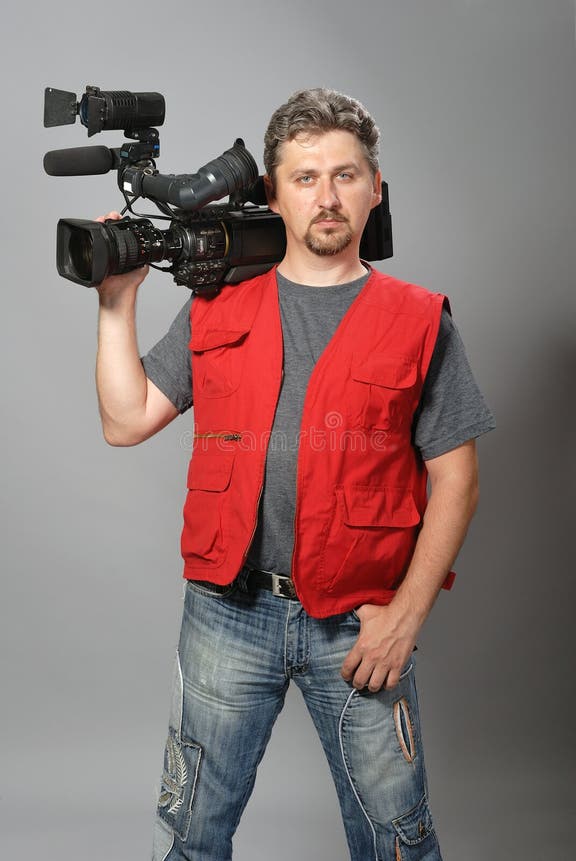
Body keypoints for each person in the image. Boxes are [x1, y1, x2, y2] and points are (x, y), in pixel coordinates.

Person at [95, 88, 495, 861]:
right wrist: (117, 306)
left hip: (359, 623)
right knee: (189, 834)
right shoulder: (217, 303)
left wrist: (407, 616)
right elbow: (126, 417)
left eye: (346, 175)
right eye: (305, 176)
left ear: (375, 189)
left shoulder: (418, 319)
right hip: (227, 613)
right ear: (271, 193)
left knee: (396, 842)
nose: (327, 194)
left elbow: (459, 480)